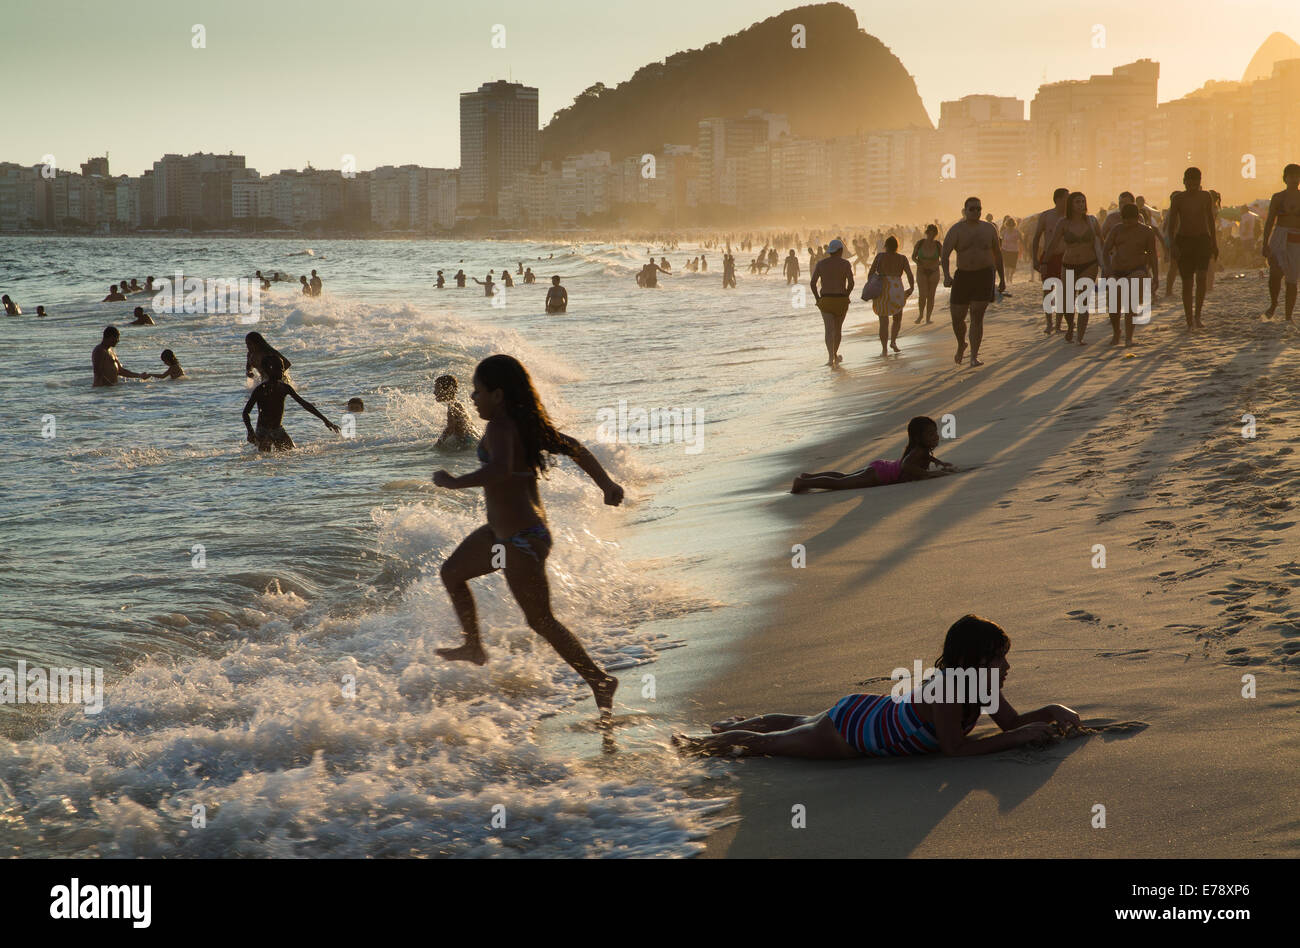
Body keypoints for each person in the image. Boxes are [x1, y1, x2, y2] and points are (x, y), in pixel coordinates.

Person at [430, 354, 624, 715]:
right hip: (504, 536)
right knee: (452, 572)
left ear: (499, 395)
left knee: (541, 620)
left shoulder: (503, 428)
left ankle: (599, 680)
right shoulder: (523, 425)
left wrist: (456, 483)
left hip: (520, 541)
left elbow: (501, 470)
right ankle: (473, 645)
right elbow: (576, 448)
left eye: (478, 391)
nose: (473, 398)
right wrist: (606, 484)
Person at [674, 615, 1080, 759]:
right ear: (973, 661)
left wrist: (1051, 710)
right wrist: (1020, 738)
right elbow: (954, 750)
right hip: (854, 733)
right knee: (773, 745)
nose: (1006, 666)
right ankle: (699, 743)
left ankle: (729, 727)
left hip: (872, 710)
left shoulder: (982, 682)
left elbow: (1010, 724)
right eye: (998, 657)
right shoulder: (948, 689)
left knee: (798, 722)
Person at [791, 415, 954, 493]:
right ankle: (803, 483)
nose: (936, 437)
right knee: (841, 484)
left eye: (935, 433)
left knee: (844, 477)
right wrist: (928, 474)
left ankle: (808, 477)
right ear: (919, 437)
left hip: (880, 469)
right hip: (879, 476)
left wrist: (938, 462)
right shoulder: (918, 450)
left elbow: (922, 458)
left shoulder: (921, 449)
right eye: (931, 434)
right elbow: (907, 465)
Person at [941, 197, 1004, 367]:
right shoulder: (956, 230)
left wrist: (1002, 278)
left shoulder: (989, 229)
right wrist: (946, 275)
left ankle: (974, 356)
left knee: (977, 315)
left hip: (984, 275)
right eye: (972, 209)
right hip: (963, 276)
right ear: (965, 210)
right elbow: (945, 253)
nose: (976, 212)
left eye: (978, 209)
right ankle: (962, 344)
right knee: (957, 318)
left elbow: (997, 254)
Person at [242, 355, 339, 451]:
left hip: (278, 430)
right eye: (279, 368)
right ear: (269, 370)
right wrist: (250, 432)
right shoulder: (260, 389)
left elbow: (305, 404)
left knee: (293, 453)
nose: (282, 371)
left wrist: (325, 420)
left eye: (282, 368)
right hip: (263, 431)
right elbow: (246, 412)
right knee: (264, 460)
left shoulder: (284, 387)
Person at [1046, 192, 1104, 345]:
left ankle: (1080, 337)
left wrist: (1105, 263)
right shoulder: (1063, 223)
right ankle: (1071, 325)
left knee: (1084, 301)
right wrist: (1044, 262)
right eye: (1077, 202)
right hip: (1069, 264)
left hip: (1089, 264)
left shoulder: (1092, 221)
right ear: (1071, 204)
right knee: (1067, 302)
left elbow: (1101, 242)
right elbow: (1052, 244)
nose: (1081, 204)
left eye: (1083, 201)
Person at [1102, 202, 1160, 348]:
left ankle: (1129, 337)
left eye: (1131, 219)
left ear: (1137, 218)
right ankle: (1117, 332)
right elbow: (1105, 250)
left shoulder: (1146, 231)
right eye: (1125, 219)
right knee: (1114, 308)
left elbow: (1153, 255)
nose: (1127, 223)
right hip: (1117, 270)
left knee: (1131, 305)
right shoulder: (1117, 229)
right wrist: (1107, 269)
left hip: (1137, 270)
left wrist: (1156, 275)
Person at [1166, 167, 1217, 329]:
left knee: (1201, 278)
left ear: (1200, 181)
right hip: (1184, 241)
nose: (1193, 184)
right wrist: (1172, 245)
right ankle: (1189, 319)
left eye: (1196, 181)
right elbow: (1171, 224)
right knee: (1187, 282)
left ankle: (1197, 316)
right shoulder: (1178, 199)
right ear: (1184, 181)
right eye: (1190, 181)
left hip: (1202, 240)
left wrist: (1214, 243)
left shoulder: (1205, 197)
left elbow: (1210, 220)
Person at [1262, 163, 1300, 321]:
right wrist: (1264, 243)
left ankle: (1288, 315)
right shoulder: (1278, 197)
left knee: (1292, 279)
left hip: (1296, 239)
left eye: (1297, 176)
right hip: (1279, 236)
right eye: (1291, 176)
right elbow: (1270, 220)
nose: (1294, 179)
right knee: (1275, 274)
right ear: (1285, 178)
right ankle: (1273, 303)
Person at [810, 238, 855, 367]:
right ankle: (835, 354)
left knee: (828, 330)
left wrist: (817, 298)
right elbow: (851, 283)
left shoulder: (821, 264)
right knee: (838, 329)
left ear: (830, 251)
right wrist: (846, 294)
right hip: (841, 299)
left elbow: (813, 283)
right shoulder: (845, 264)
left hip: (826, 299)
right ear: (840, 251)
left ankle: (831, 358)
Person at [867, 236, 915, 355]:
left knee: (883, 321)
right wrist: (912, 287)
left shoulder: (880, 257)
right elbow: (909, 274)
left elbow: (871, 273)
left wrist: (872, 286)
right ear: (897, 246)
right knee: (897, 318)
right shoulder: (902, 258)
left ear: (886, 246)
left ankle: (884, 349)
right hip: (897, 288)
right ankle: (893, 342)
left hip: (882, 288)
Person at [1031, 188, 1070, 334]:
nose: (1069, 201)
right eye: (1067, 198)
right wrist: (1035, 259)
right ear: (1058, 199)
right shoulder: (1046, 216)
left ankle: (1059, 324)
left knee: (1063, 291)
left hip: (1066, 257)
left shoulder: (1070, 217)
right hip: (1048, 257)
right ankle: (1049, 323)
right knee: (1048, 290)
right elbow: (1036, 238)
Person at [434, 374, 477, 449]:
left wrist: (438, 443)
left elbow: (450, 428)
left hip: (468, 442)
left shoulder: (452, 407)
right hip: (471, 439)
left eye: (437, 388)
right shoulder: (456, 404)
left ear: (447, 390)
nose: (434, 392)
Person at [911, 224, 942, 324]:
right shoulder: (920, 243)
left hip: (934, 271)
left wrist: (937, 264)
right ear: (927, 233)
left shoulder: (938, 244)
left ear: (936, 234)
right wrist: (917, 262)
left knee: (931, 296)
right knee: (922, 295)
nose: (931, 235)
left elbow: (943, 259)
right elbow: (913, 257)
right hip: (921, 271)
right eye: (930, 233)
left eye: (934, 234)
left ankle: (928, 318)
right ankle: (920, 315)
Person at [1000, 217, 1022, 284]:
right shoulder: (1004, 232)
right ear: (1007, 225)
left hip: (1014, 250)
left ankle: (1010, 277)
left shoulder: (1017, 232)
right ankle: (1007, 279)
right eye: (1009, 225)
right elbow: (1000, 240)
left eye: (1011, 225)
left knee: (1013, 266)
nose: (1010, 226)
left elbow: (1021, 239)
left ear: (1014, 225)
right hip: (1005, 250)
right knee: (1006, 265)